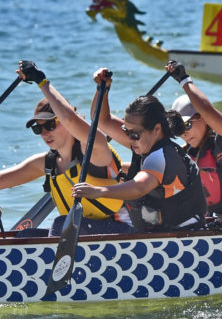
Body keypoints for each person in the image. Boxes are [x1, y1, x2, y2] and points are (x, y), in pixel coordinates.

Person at [0, 61, 131, 236]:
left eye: (50, 125)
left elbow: (69, 118)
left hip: (120, 234)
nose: (45, 133)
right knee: (24, 236)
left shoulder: (94, 147)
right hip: (78, 236)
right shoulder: (47, 163)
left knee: (61, 224)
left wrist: (41, 81)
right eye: (38, 128)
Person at [76, 69, 207, 232]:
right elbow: (102, 120)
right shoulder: (145, 142)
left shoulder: (161, 157)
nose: (129, 139)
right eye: (126, 130)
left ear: (157, 129)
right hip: (155, 236)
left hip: (181, 241)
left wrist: (98, 191)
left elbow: (138, 188)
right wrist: (103, 89)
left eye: (134, 134)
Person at [166, 61, 222, 227]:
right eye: (178, 130)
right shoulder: (188, 155)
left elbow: (207, 109)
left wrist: (184, 80)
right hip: (221, 223)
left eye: (187, 125)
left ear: (201, 117)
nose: (183, 133)